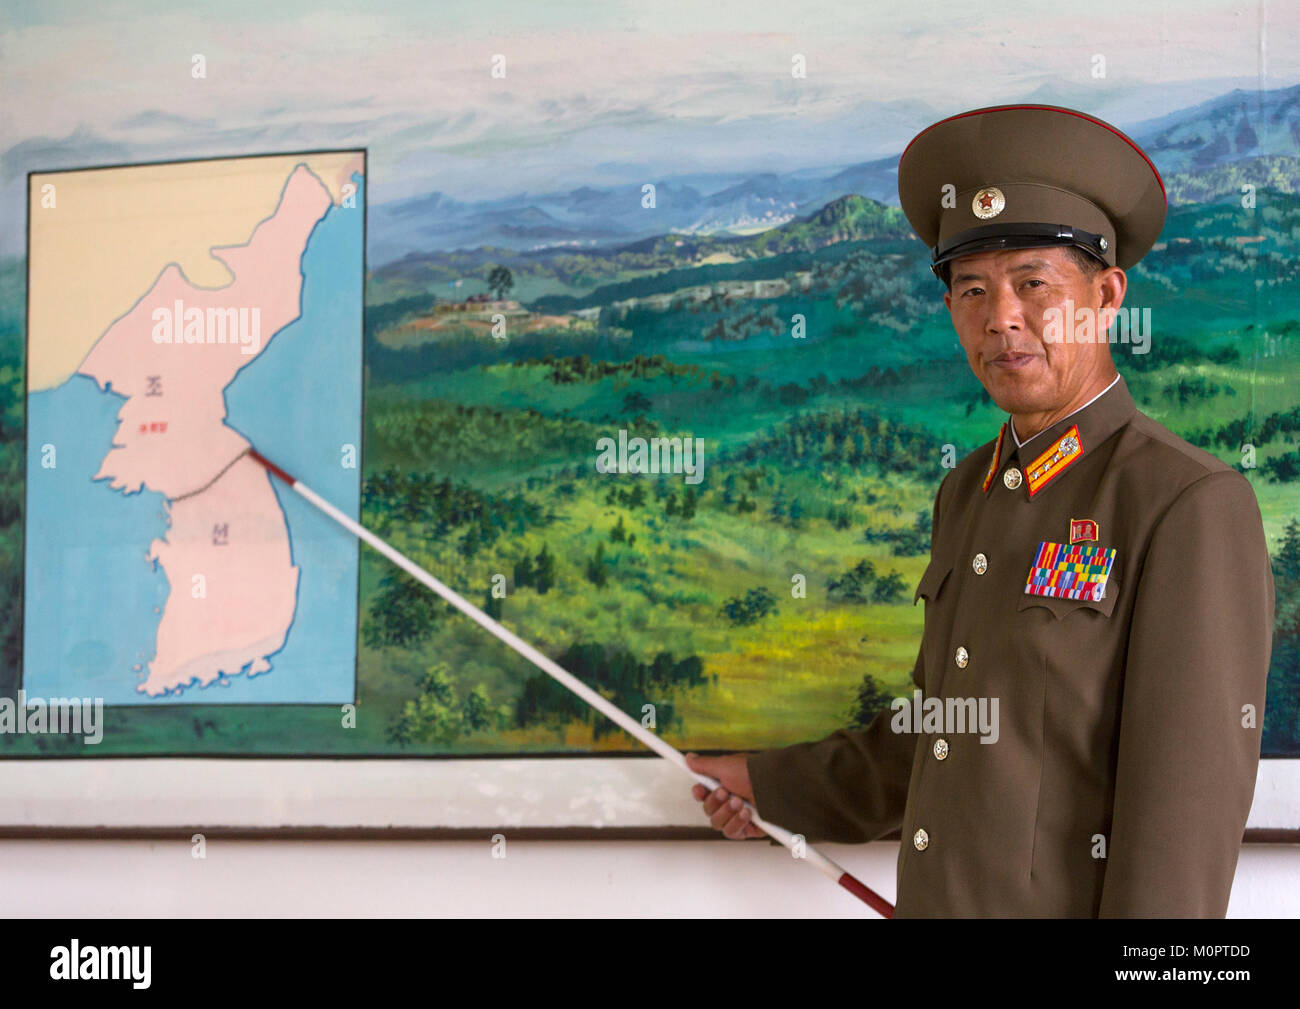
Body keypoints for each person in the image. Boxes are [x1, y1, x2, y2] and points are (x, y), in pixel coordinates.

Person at [687, 104, 1275, 917]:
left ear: (1105, 296)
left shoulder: (1186, 504)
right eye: (971, 289)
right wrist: (767, 785)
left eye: (1033, 283)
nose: (1000, 318)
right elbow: (946, 732)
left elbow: (1180, 832)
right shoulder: (967, 491)